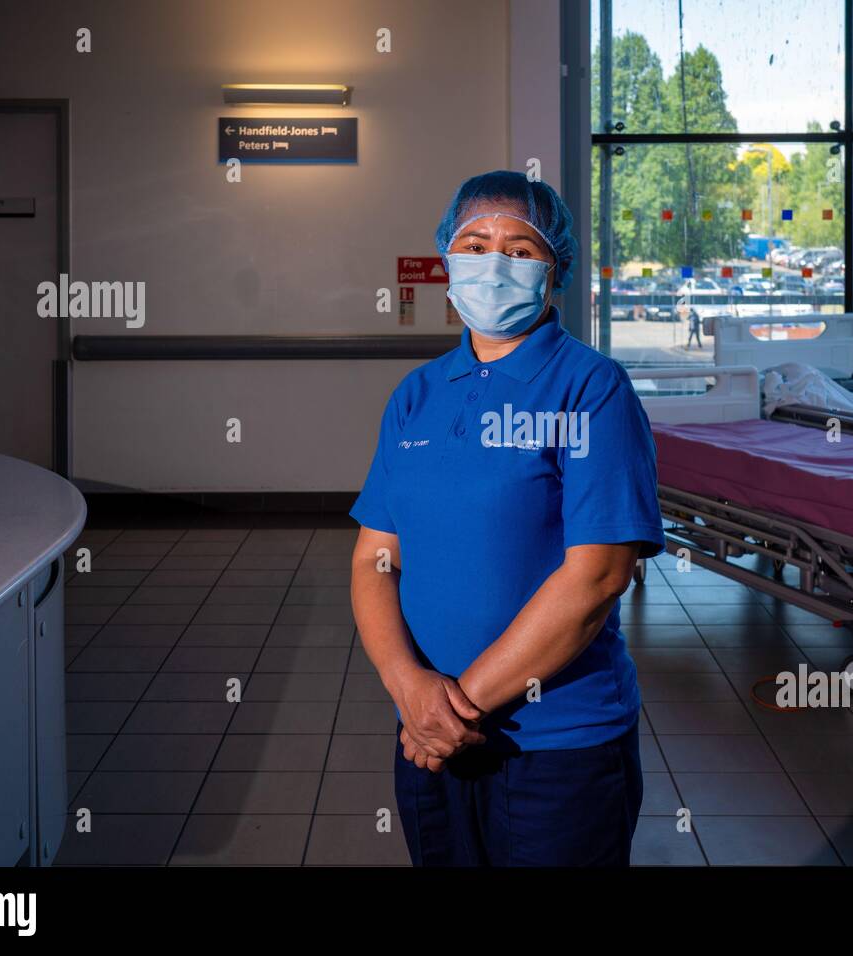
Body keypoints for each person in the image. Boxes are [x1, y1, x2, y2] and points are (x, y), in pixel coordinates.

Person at [348, 170, 664, 866]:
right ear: (447, 258)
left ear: (557, 270)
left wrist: (452, 708)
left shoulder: (590, 388)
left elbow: (598, 578)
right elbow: (375, 560)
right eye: (475, 242)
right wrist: (410, 691)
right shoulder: (418, 394)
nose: (494, 264)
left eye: (521, 249)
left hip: (555, 747)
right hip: (428, 738)